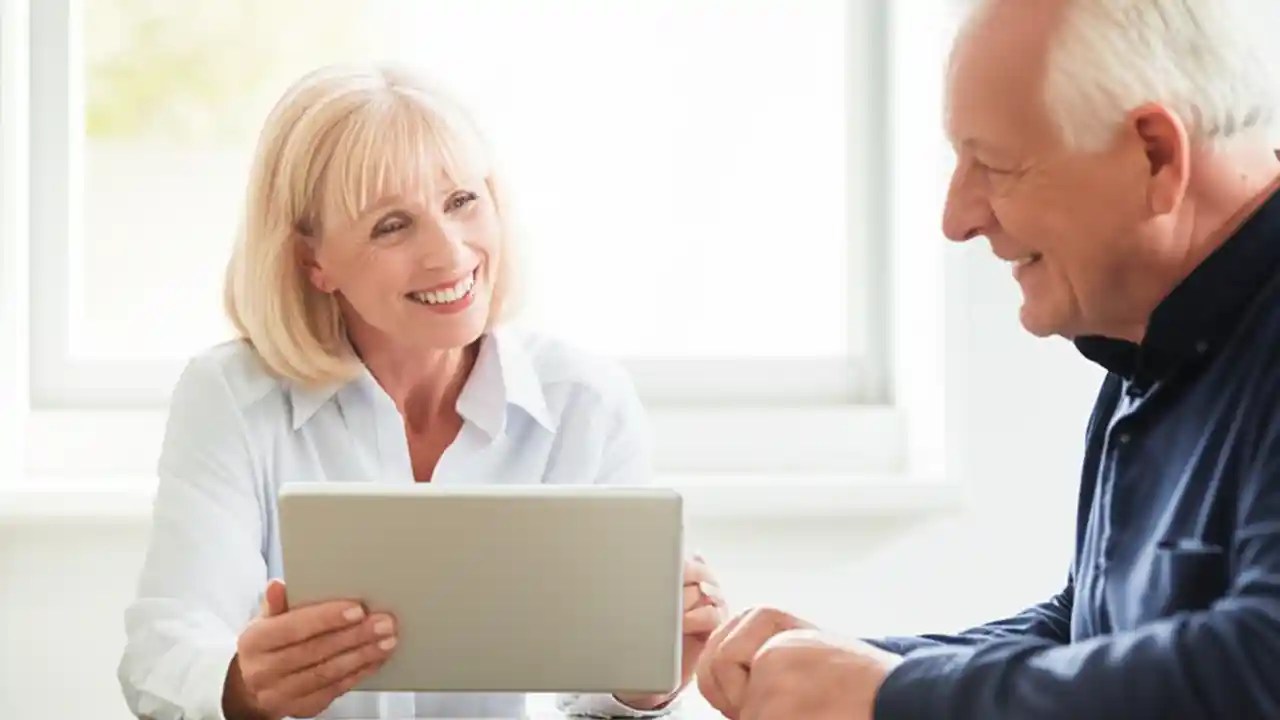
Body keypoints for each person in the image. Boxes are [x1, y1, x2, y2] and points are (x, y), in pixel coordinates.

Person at [695, 0, 1280, 718]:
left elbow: (1257, 665)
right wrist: (849, 668)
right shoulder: (1152, 334)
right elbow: (1092, 632)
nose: (957, 217)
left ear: (1155, 154)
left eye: (995, 166)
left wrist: (893, 695)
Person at [116, 63, 727, 720]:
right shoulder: (233, 399)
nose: (449, 253)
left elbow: (598, 702)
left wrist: (645, 679)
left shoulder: (586, 401)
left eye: (462, 201)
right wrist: (244, 687)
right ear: (311, 261)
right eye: (391, 226)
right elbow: (164, 656)